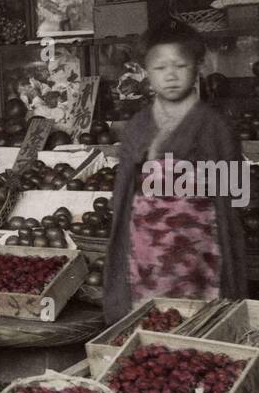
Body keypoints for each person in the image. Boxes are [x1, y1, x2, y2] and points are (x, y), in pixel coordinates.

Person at [103, 20, 247, 324]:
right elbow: (123, 192)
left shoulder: (215, 126)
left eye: (180, 66)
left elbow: (237, 194)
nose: (170, 76)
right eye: (159, 68)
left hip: (201, 246)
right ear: (145, 73)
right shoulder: (139, 125)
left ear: (198, 67)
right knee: (149, 322)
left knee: (202, 323)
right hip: (146, 245)